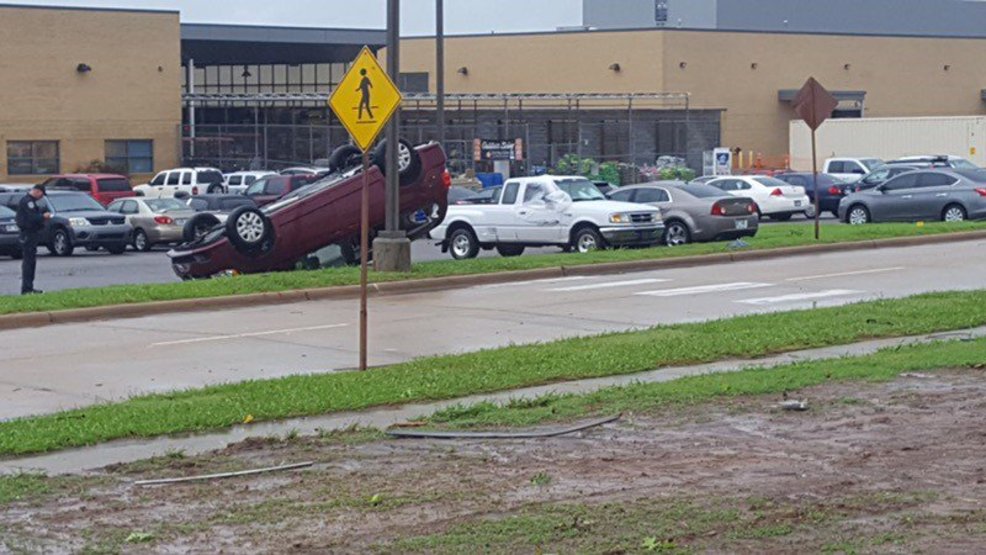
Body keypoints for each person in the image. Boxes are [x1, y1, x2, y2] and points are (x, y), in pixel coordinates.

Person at [15, 184, 51, 295]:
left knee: (31, 261)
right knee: (29, 261)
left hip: (31, 233)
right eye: (41, 194)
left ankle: (29, 287)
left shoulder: (29, 201)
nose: (41, 197)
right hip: (28, 234)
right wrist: (43, 216)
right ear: (37, 191)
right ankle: (27, 288)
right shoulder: (28, 202)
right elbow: (32, 218)